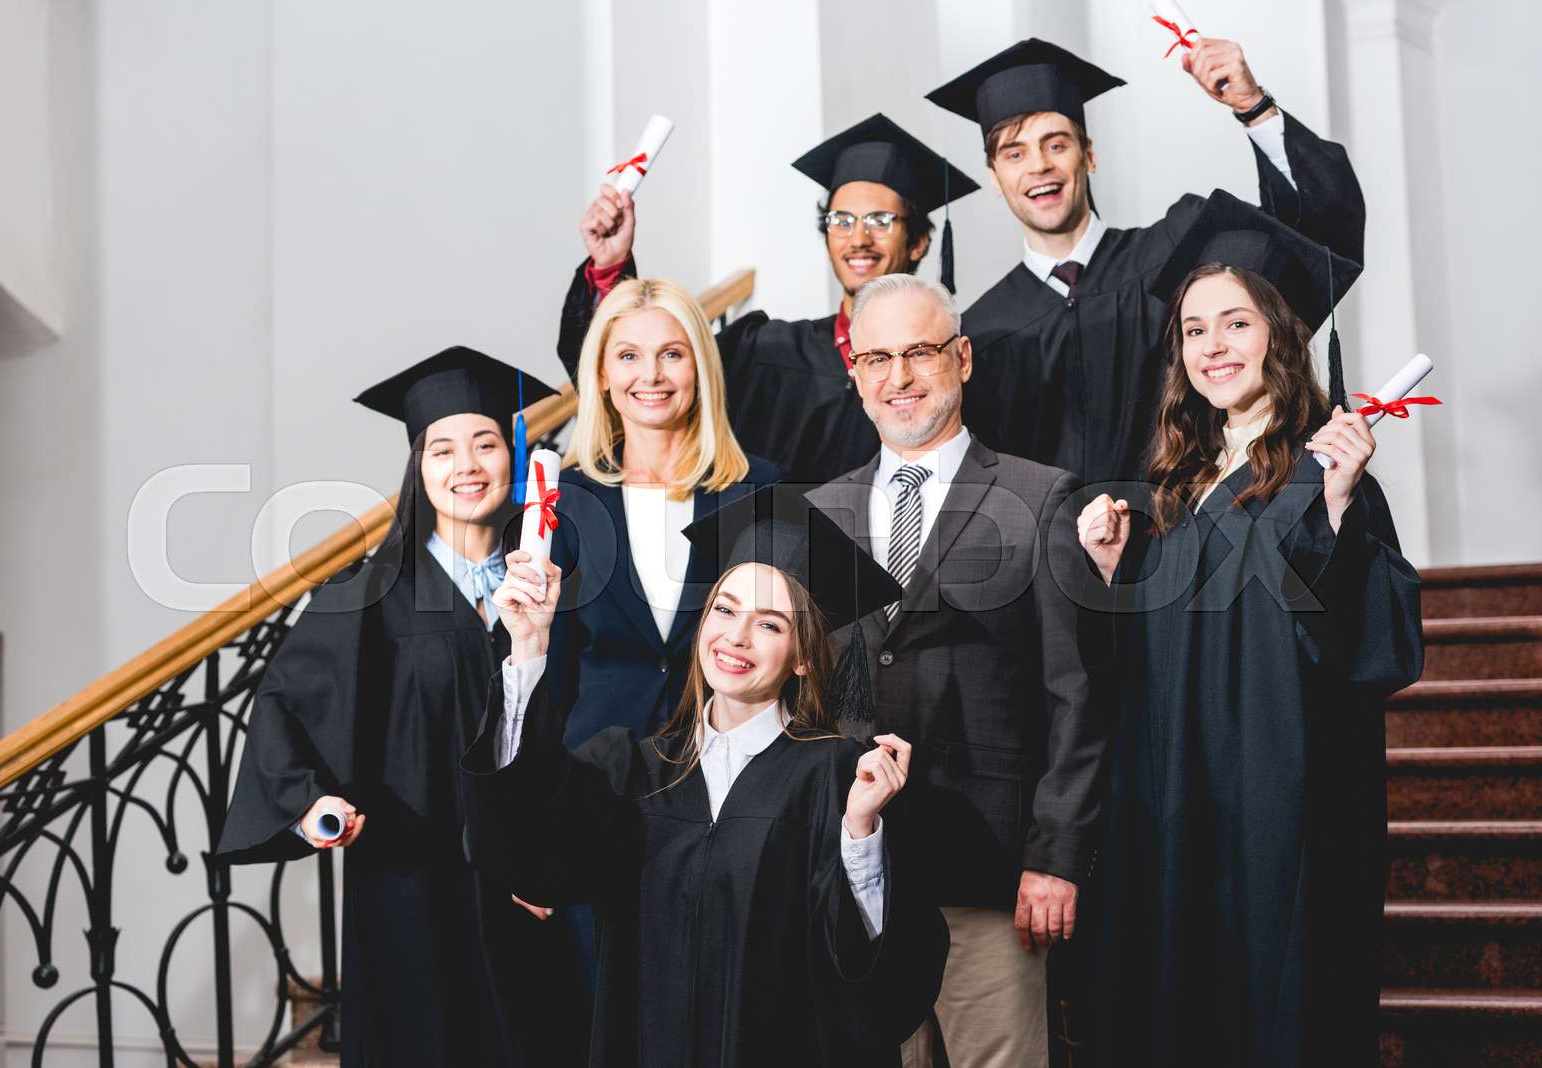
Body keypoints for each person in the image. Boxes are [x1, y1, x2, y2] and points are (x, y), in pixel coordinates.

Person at [1076, 191, 1424, 1067]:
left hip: (1280, 810)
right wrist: (1123, 574)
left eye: (1235, 322)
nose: (1213, 347)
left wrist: (1336, 519)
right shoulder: (1177, 485)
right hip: (1178, 809)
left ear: (1280, 332)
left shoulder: (1326, 471)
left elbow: (1374, 650)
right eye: (1195, 330)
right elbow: (1156, 669)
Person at [463, 485, 949, 1066]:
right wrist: (529, 647)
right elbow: (529, 852)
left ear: (801, 655)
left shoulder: (843, 778)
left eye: (769, 624)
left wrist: (862, 834)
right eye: (724, 610)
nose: (736, 637)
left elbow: (887, 979)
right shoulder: (632, 769)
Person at [215, 347, 586, 1067]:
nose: (467, 465)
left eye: (484, 444)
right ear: (418, 469)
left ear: (513, 458)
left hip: (523, 881)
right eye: (442, 449)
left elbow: (581, 725)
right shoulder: (370, 592)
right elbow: (287, 704)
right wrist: (311, 803)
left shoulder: (551, 586)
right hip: (410, 875)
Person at [807, 274, 1110, 1068]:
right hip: (859, 869)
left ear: (963, 357)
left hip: (991, 872)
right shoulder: (820, 513)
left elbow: (1076, 694)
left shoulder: (1039, 497)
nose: (898, 377)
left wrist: (1055, 855)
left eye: (919, 352)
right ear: (855, 374)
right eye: (876, 358)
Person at [926, 37, 1367, 484]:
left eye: (1056, 145)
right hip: (1054, 551)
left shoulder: (1179, 251)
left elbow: (1316, 235)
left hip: (1190, 537)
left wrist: (1253, 107)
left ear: (1090, 155)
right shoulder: (980, 331)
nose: (1039, 165)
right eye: (1015, 153)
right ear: (995, 178)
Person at [558, 113, 979, 485]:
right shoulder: (762, 351)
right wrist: (610, 268)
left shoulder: (947, 363)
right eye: (842, 220)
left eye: (880, 221)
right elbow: (624, 374)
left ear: (920, 241)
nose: (859, 238)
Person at [552, 277, 780, 748]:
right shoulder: (570, 497)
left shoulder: (756, 489)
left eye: (672, 354)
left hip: (721, 760)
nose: (651, 375)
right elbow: (556, 660)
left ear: (699, 367)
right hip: (596, 770)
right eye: (629, 356)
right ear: (601, 374)